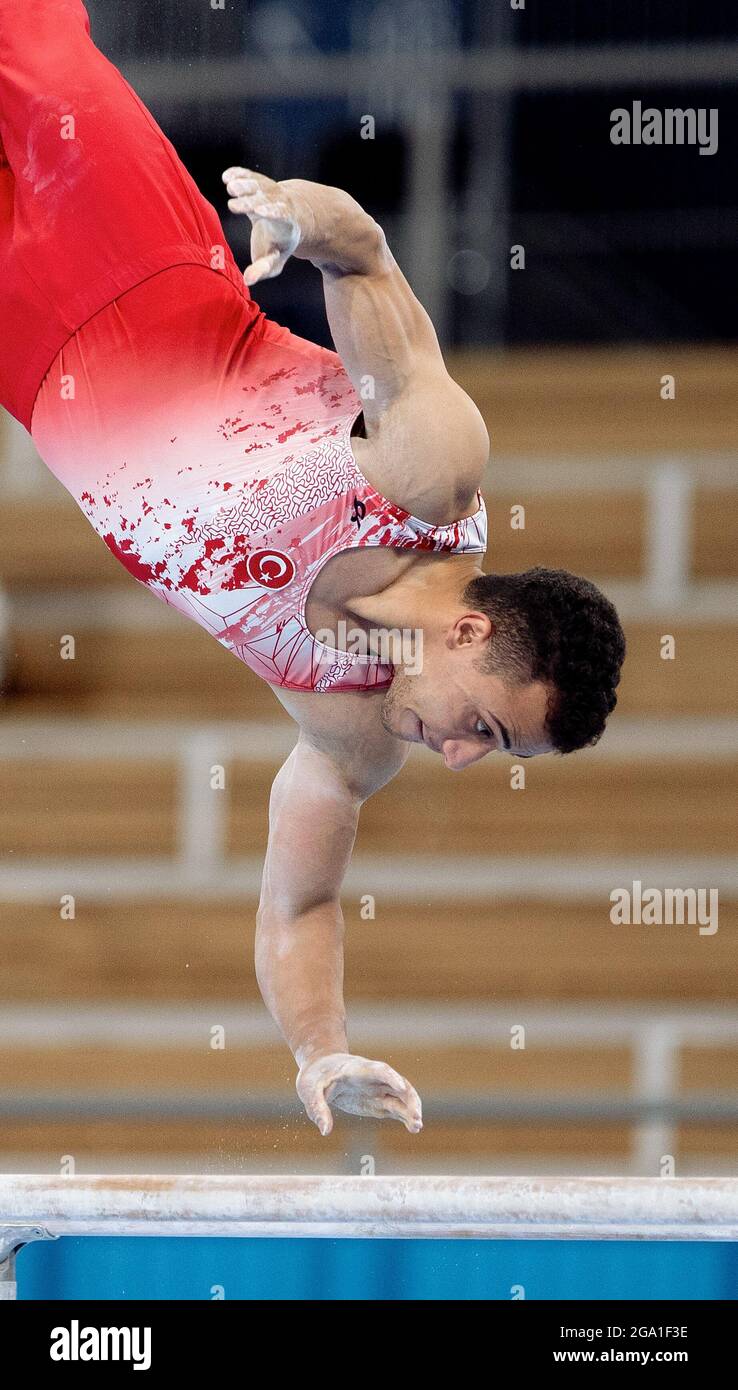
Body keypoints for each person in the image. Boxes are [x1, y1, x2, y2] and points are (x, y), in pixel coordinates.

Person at [0, 0, 625, 1137]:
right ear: (475, 633)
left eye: (494, 751)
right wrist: (300, 214)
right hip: (138, 254)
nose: (460, 758)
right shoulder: (433, 469)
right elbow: (366, 255)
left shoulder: (348, 732)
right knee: (26, 37)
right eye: (485, 728)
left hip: (31, 362)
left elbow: (304, 900)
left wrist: (320, 1048)